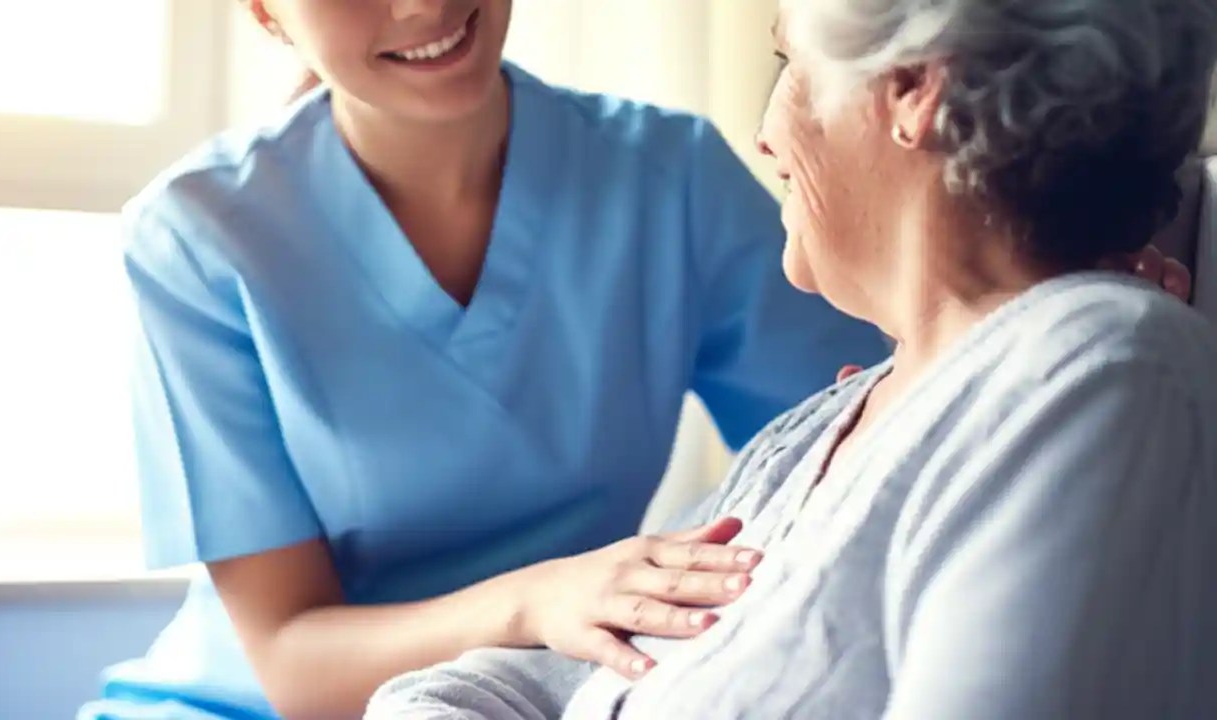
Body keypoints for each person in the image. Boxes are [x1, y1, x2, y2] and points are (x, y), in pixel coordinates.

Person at [363, 0, 1217, 717]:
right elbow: (468, 691)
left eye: (789, 65)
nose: (765, 138)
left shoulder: (1095, 377)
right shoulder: (820, 428)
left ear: (915, 88)